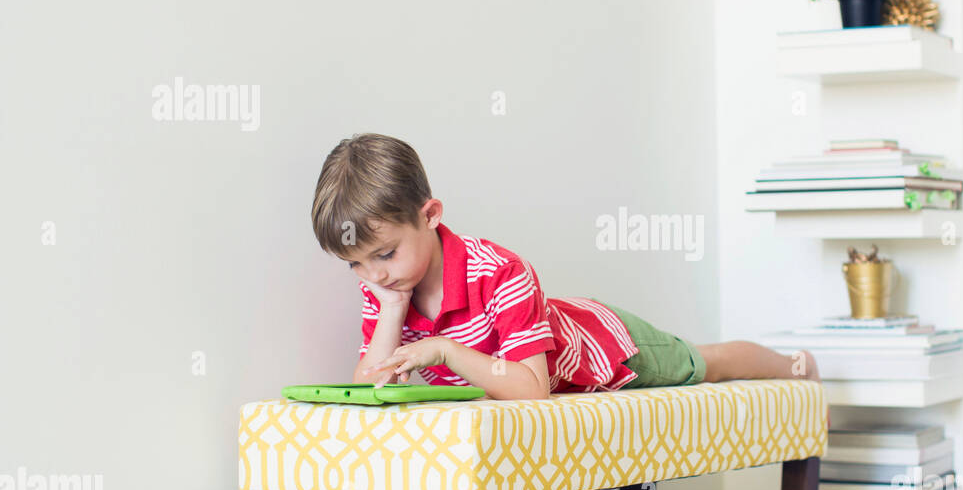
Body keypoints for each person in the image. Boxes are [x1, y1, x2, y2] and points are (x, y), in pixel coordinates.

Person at [310, 133, 820, 401]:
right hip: (544, 341)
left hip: (604, 344)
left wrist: (445, 349)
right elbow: (370, 384)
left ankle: (794, 366)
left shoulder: (500, 273)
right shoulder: (387, 286)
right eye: (355, 265)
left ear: (431, 215)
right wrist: (394, 308)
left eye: (385, 254)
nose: (373, 275)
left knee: (704, 364)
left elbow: (533, 390)